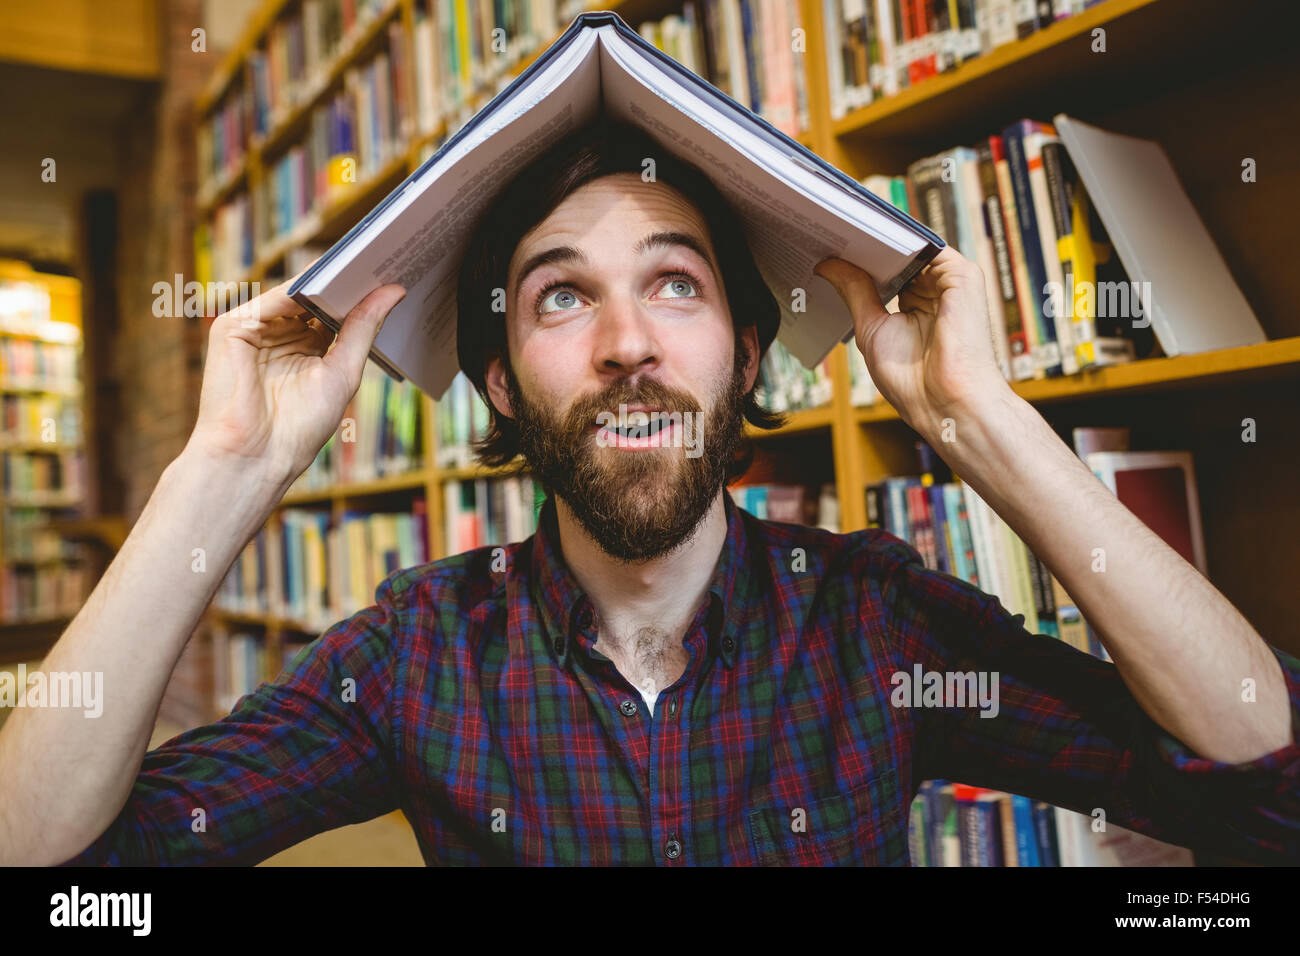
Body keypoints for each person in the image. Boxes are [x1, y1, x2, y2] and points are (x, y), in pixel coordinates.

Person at [2, 119, 1296, 866]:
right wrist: (223, 475)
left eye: (676, 284)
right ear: (502, 385)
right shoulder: (416, 656)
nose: (628, 340)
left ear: (741, 346)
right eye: (564, 295)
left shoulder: (878, 628)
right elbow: (51, 864)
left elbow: (1257, 780)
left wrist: (985, 424)